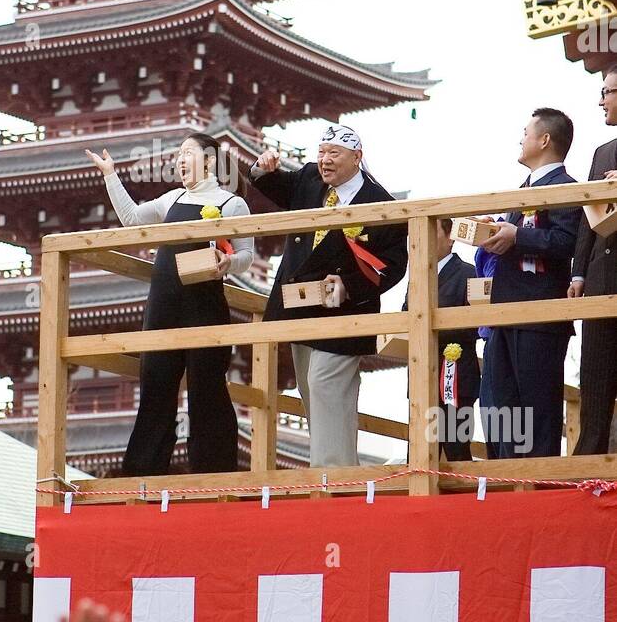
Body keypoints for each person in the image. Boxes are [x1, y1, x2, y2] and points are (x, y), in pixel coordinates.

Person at [87, 135, 254, 475]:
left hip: (204, 305)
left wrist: (227, 262)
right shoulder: (172, 198)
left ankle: (214, 475)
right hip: (162, 305)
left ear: (209, 161)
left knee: (206, 389)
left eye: (187, 153)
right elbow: (132, 219)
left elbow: (247, 254)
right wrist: (110, 174)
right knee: (155, 388)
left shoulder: (231, 203)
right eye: (178, 154)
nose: (179, 160)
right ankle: (142, 475)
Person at [249, 124, 407, 466]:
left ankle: (330, 476)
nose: (325, 160)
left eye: (334, 154)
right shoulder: (307, 179)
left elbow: (392, 265)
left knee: (325, 385)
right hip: (300, 302)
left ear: (357, 158)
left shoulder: (380, 203)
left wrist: (350, 284)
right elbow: (269, 183)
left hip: (344, 309)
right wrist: (263, 167)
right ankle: (340, 470)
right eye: (321, 152)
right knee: (312, 391)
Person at [480, 109, 581, 459]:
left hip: (540, 312)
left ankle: (539, 484)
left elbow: (567, 241)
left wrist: (517, 235)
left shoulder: (567, 187)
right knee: (502, 403)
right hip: (506, 309)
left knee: (537, 405)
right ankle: (510, 480)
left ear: (544, 140)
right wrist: (493, 231)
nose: (520, 139)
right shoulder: (523, 188)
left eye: (525, 132)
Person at [569, 62, 617, 454]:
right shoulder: (602, 152)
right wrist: (579, 273)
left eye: (607, 92)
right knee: (595, 378)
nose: (601, 101)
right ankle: (587, 464)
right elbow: (588, 216)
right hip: (601, 276)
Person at [403, 218, 481, 461]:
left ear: (450, 237)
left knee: (457, 453)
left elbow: (478, 324)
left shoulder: (469, 273)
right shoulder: (416, 277)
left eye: (430, 232)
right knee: (418, 457)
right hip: (421, 377)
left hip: (457, 375)